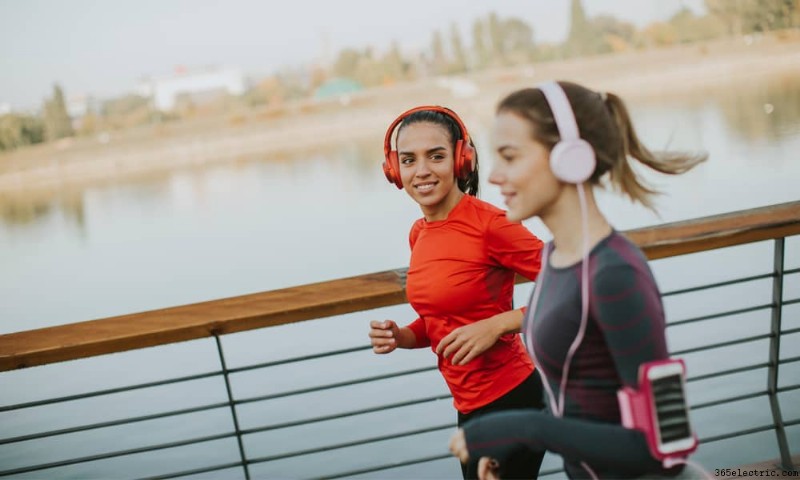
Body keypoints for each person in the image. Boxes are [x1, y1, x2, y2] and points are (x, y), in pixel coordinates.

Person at [448, 81, 707, 479]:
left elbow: (664, 446)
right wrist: (508, 448)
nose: (495, 176)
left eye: (510, 157)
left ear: (569, 158)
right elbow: (574, 396)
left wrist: (524, 428)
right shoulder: (555, 257)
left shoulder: (616, 275)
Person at [368, 106, 547, 479]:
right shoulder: (420, 232)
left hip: (513, 397)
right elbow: (441, 319)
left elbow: (577, 290)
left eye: (436, 156)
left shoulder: (491, 225)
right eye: (408, 159)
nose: (422, 170)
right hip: (470, 404)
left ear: (461, 160)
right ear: (394, 170)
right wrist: (402, 335)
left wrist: (499, 324)